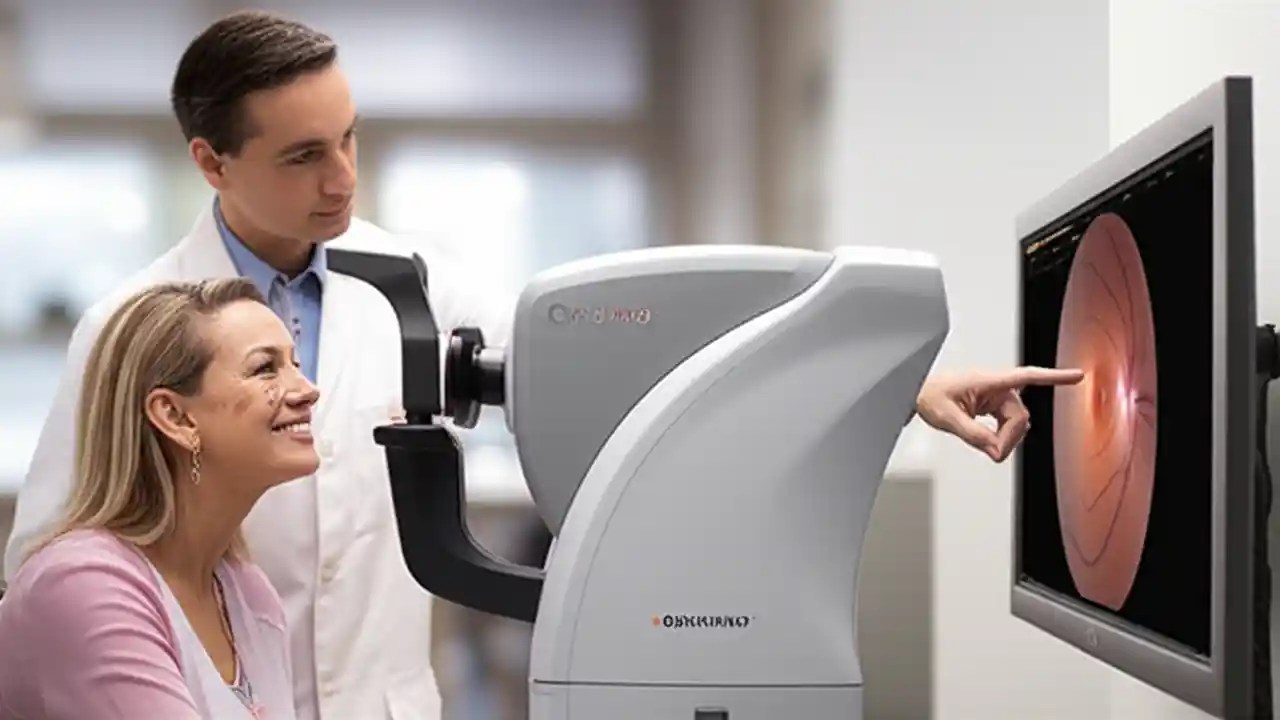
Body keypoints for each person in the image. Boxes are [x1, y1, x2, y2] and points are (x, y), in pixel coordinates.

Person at [1, 9, 1081, 720]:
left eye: (350, 140)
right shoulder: (133, 324)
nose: (341, 180)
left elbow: (627, 356)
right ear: (210, 160)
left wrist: (898, 385)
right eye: (300, 155)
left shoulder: (411, 280)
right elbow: (65, 552)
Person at [0, 278, 318, 719]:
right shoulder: (83, 585)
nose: (307, 389)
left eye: (294, 363)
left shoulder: (246, 593)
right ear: (174, 415)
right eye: (265, 368)